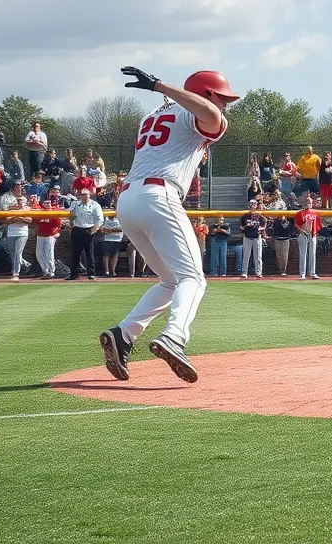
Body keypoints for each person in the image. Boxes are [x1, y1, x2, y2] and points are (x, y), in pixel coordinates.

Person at [98, 66, 240, 385]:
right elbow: (210, 115)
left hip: (129, 201)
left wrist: (162, 91)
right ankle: (175, 337)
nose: (225, 104)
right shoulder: (192, 110)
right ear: (204, 93)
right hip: (157, 196)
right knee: (194, 278)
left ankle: (124, 334)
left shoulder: (154, 115)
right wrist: (160, 85)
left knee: (170, 280)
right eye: (222, 97)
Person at [66, 188, 103, 280]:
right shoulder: (75, 204)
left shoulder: (95, 205)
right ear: (79, 196)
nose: (85, 196)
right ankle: (74, 273)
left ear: (89, 195)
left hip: (88, 229)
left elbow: (99, 218)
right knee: (75, 253)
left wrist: (95, 228)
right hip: (77, 229)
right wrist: (71, 224)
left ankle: (91, 273)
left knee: (89, 253)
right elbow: (71, 215)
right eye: (82, 194)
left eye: (86, 194)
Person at [293, 194, 321, 279]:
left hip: (312, 234)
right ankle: (302, 273)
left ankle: (312, 272)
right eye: (307, 202)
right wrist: (302, 230)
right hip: (303, 234)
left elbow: (318, 224)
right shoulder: (300, 213)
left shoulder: (315, 213)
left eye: (309, 202)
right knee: (303, 254)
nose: (308, 203)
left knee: (312, 254)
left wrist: (315, 232)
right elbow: (296, 224)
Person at [35, 200, 63, 278]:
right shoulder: (39, 212)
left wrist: (55, 233)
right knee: (39, 253)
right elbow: (34, 222)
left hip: (50, 235)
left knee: (49, 253)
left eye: (49, 203)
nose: (47, 204)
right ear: (43, 203)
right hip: (40, 234)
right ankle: (45, 270)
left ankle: (51, 271)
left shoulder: (53, 212)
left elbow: (59, 225)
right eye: (46, 203)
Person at [238, 200, 266, 279]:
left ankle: (259, 272)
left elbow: (264, 224)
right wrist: (246, 226)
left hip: (257, 236)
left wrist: (261, 228)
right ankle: (244, 272)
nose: (254, 206)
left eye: (255, 204)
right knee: (246, 255)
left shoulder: (260, 216)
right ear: (250, 205)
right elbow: (241, 227)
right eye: (252, 204)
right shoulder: (245, 216)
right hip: (247, 236)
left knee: (258, 256)